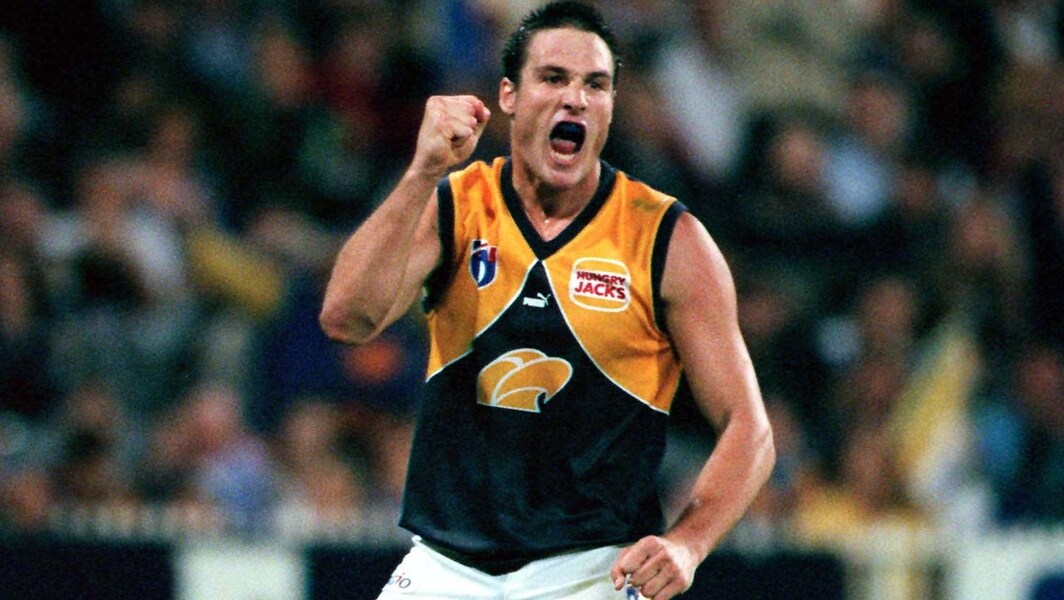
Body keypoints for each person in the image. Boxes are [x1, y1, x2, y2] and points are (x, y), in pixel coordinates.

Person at [319, 2, 775, 599]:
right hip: (446, 567)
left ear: (611, 105)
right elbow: (346, 318)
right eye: (554, 78)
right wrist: (421, 172)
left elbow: (749, 428)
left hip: (594, 570)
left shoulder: (668, 238)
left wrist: (689, 543)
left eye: (596, 85)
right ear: (508, 95)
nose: (575, 99)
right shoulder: (459, 202)